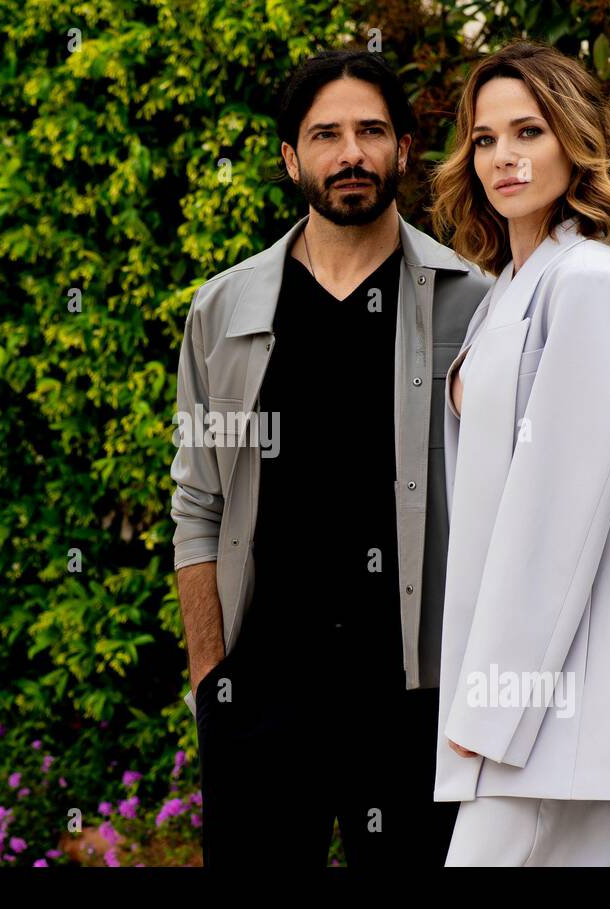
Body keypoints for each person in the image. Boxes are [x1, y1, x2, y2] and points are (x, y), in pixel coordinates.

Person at [169, 50, 490, 867]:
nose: (351, 153)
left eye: (371, 131)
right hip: (264, 702)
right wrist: (213, 680)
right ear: (290, 158)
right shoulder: (224, 311)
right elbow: (197, 505)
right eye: (326, 135)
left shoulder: (476, 303)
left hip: (420, 705)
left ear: (405, 150)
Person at [425, 39, 610, 866]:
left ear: (572, 139)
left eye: (527, 131)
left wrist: (493, 707)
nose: (503, 157)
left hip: (542, 716)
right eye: (485, 138)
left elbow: (560, 518)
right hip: (523, 712)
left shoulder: (590, 281)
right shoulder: (509, 289)